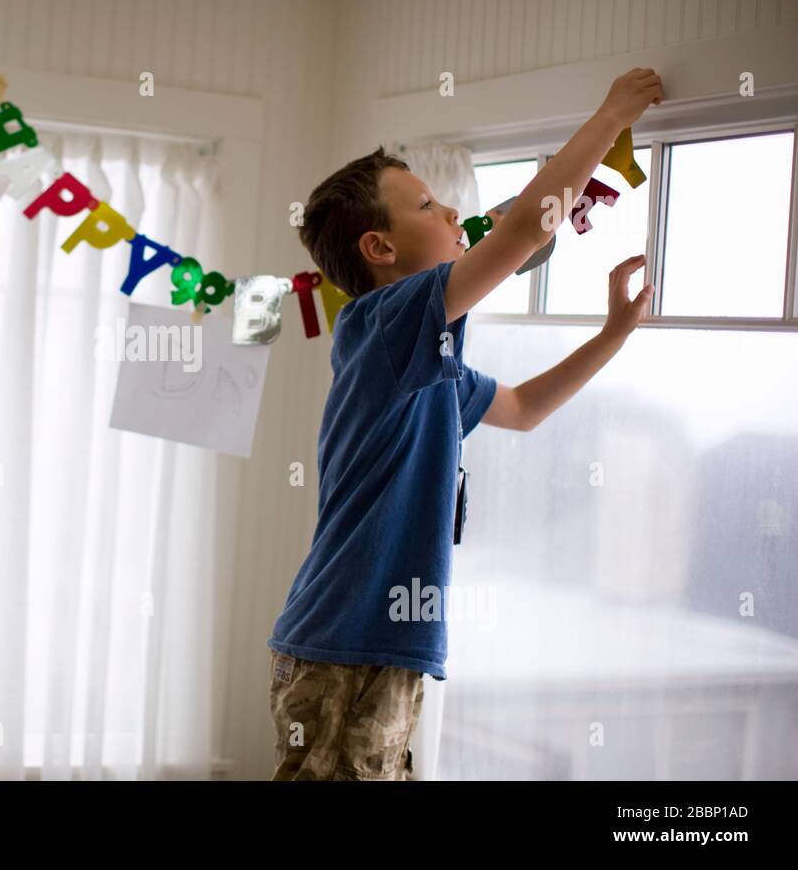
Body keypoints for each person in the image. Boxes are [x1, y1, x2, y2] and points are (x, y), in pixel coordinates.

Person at [267, 69, 664, 780]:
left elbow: (524, 408)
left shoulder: (433, 365)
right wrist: (611, 117)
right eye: (426, 203)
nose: (454, 213)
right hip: (345, 641)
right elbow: (517, 234)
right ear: (380, 250)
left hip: (382, 646)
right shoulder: (383, 325)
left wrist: (613, 335)